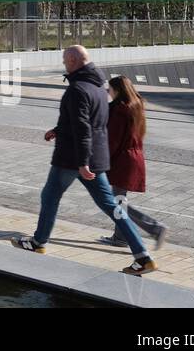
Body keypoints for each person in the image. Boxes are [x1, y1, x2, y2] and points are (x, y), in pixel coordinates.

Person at [10, 45, 158, 275]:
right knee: (112, 206)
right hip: (94, 158)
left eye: (64, 60)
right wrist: (59, 129)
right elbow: (90, 122)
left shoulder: (77, 89)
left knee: (49, 196)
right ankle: (143, 256)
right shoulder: (99, 88)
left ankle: (38, 242)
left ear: (72, 61)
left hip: (72, 159)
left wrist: (82, 161)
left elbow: (82, 128)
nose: (62, 64)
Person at [100, 75, 167, 250]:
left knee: (116, 202)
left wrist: (101, 160)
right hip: (133, 157)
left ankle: (155, 228)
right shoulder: (136, 106)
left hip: (122, 160)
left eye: (110, 89)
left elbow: (112, 141)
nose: (108, 91)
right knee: (118, 200)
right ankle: (120, 237)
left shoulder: (119, 110)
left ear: (118, 90)